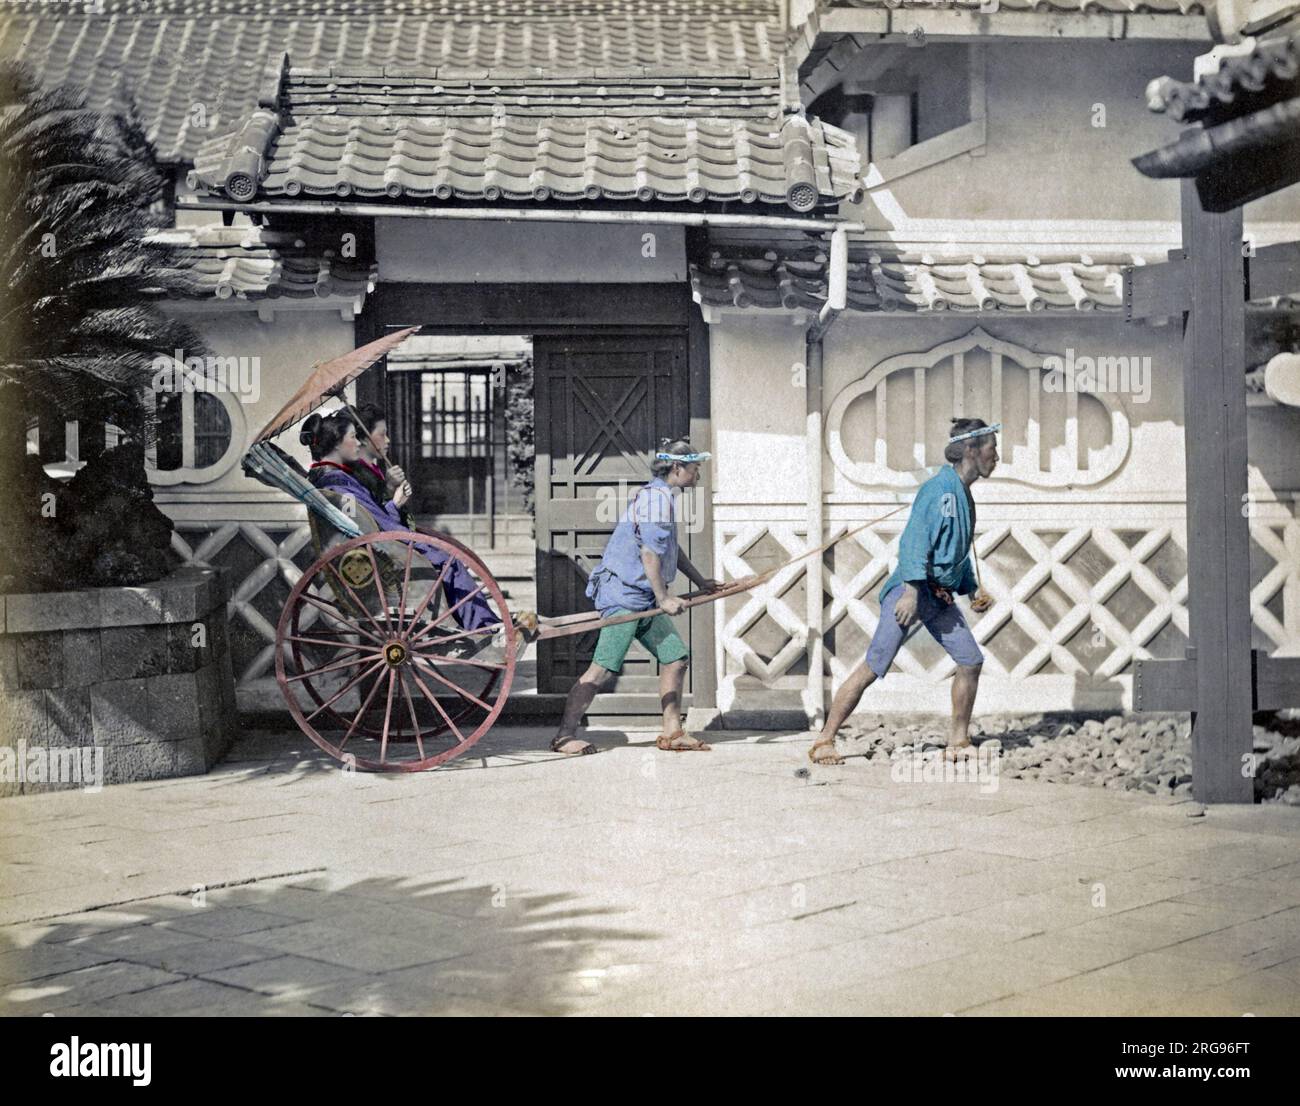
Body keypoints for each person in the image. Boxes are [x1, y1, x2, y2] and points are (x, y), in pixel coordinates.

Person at [808, 417, 998, 765]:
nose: (996, 456)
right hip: (910, 592)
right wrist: (910, 593)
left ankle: (958, 740)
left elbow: (954, 554)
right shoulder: (938, 490)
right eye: (992, 448)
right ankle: (825, 739)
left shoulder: (963, 496)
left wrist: (971, 591)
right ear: (971, 450)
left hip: (938, 596)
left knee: (970, 661)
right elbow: (914, 543)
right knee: (874, 664)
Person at [550, 438, 719, 756]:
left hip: (641, 595)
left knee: (675, 657)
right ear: (677, 467)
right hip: (625, 595)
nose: (698, 474)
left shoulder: (662, 496)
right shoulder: (656, 501)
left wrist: (702, 581)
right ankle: (564, 736)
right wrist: (664, 598)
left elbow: (669, 548)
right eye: (695, 468)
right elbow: (649, 554)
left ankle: (672, 731)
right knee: (601, 669)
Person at [300, 411, 499, 632]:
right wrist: (417, 537)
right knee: (448, 561)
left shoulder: (331, 478)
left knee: (445, 557)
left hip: (377, 548)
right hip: (382, 553)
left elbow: (369, 520)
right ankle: (484, 628)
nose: (358, 443)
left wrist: (394, 504)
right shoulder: (337, 483)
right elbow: (372, 526)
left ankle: (478, 623)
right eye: (353, 437)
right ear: (337, 444)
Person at [346, 403, 412, 527]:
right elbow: (373, 520)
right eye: (382, 435)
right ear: (365, 439)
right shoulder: (356, 475)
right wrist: (389, 488)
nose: (387, 440)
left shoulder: (373, 470)